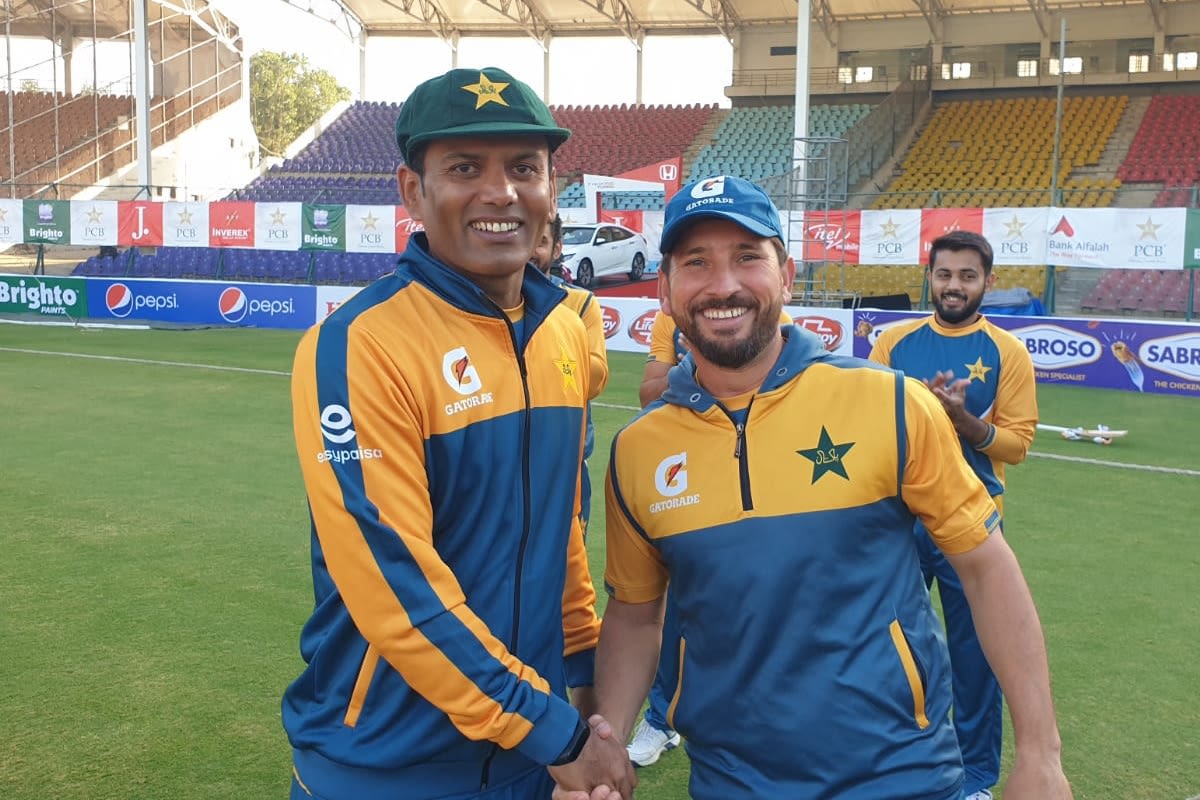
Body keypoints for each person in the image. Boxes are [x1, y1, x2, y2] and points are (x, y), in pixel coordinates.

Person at [568, 175, 1072, 799]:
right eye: (696, 262)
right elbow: (637, 616)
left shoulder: (888, 401)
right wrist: (610, 740)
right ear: (665, 290)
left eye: (748, 257)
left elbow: (986, 569)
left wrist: (1042, 756)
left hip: (902, 775)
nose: (724, 284)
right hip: (731, 783)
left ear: (786, 275)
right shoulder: (639, 449)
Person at [283, 66, 634, 800]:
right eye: (465, 168)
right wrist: (560, 736)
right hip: (384, 767)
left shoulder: (562, 337)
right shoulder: (357, 345)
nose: (501, 193)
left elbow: (560, 533)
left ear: (551, 187)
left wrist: (586, 693)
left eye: (524, 168)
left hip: (526, 764)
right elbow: (396, 589)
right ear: (413, 190)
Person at [869, 230, 1039, 800]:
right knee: (881, 642)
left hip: (972, 522)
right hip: (897, 521)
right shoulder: (893, 343)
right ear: (930, 277)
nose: (954, 287)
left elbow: (1016, 444)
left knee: (976, 656)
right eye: (945, 275)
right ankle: (888, 755)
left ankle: (974, 778)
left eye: (968, 276)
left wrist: (962, 421)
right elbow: (865, 430)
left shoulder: (1007, 352)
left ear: (988, 282)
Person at [628, 304, 795, 768]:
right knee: (678, 602)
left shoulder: (768, 319)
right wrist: (695, 366)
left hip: (765, 474)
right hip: (689, 477)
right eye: (697, 261)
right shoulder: (671, 322)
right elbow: (648, 394)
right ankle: (662, 720)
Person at [532, 213, 609, 534]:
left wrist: (547, 325)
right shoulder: (480, 304)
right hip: (497, 465)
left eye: (541, 242)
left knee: (566, 573)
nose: (529, 251)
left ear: (557, 248)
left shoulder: (578, 304)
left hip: (566, 469)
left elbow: (595, 380)